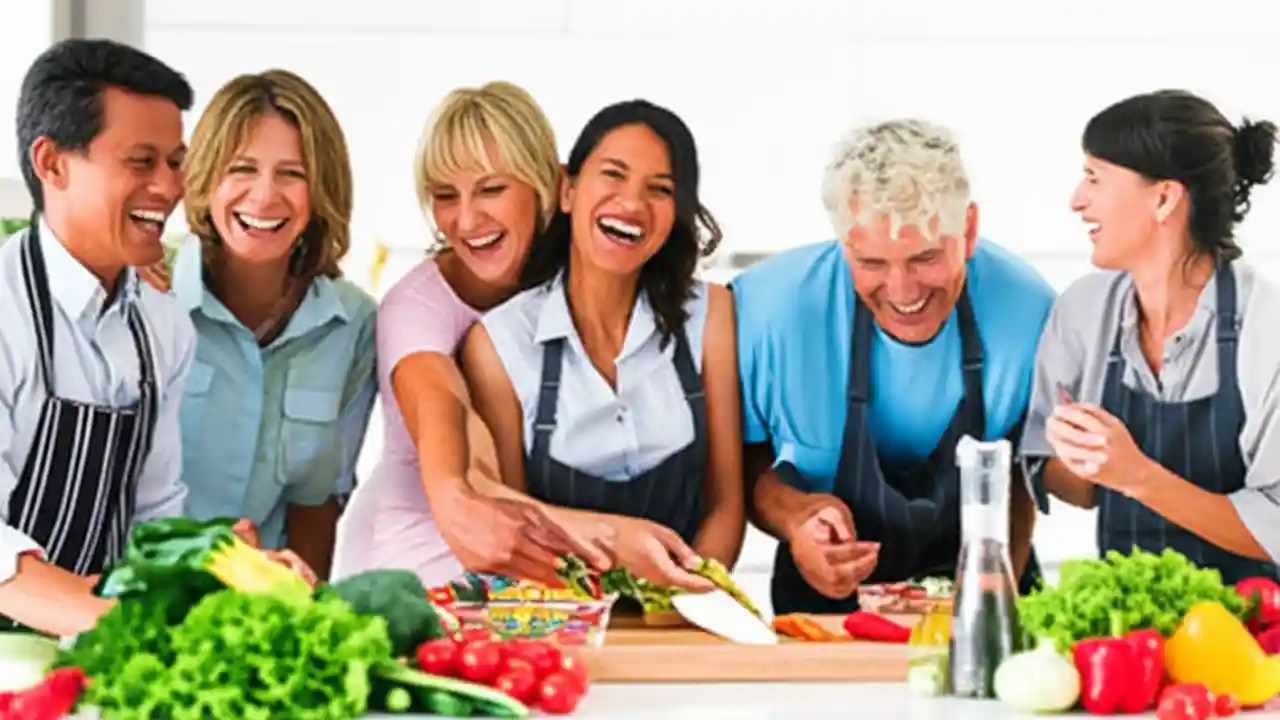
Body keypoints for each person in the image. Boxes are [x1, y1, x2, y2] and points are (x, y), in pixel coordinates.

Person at [334, 84, 714, 591]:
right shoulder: (417, 308)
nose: (467, 220)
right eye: (446, 196)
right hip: (416, 572)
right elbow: (441, 411)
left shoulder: (574, 280)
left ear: (553, 186)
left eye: (492, 190)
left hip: (531, 576)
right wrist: (454, 495)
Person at [733, 119, 1054, 615]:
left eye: (925, 257)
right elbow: (747, 461)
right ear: (844, 243)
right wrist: (799, 518)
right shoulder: (768, 310)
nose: (903, 292)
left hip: (987, 585)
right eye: (873, 264)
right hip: (824, 602)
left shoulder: (1030, 314)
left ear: (967, 230)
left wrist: (991, 598)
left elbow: (1019, 474)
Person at [458, 99, 745, 572]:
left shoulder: (711, 316)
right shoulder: (500, 344)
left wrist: (685, 603)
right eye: (613, 175)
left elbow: (725, 504)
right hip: (557, 614)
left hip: (687, 612)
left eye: (660, 189)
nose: (632, 204)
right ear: (567, 190)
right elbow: (513, 519)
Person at [1021, 90, 1280, 583]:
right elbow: (1067, 483)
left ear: (1163, 197)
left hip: (1255, 635)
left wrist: (1136, 475)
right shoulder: (1083, 311)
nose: (1077, 200)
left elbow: (1276, 524)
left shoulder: (1267, 327)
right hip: (1128, 632)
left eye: (1095, 178)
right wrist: (1082, 458)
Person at [0, 39, 197, 635]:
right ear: (52, 163)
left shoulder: (164, 328)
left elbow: (154, 516)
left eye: (175, 161)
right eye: (142, 161)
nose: (168, 188)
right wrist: (124, 625)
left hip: (95, 653)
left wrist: (210, 564)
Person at [158, 69, 376, 581]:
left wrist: (302, 611)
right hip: (143, 591)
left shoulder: (354, 325)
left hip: (261, 598)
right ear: (205, 177)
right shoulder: (149, 297)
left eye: (292, 174)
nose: (264, 196)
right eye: (243, 168)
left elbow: (317, 503)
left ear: (321, 189)